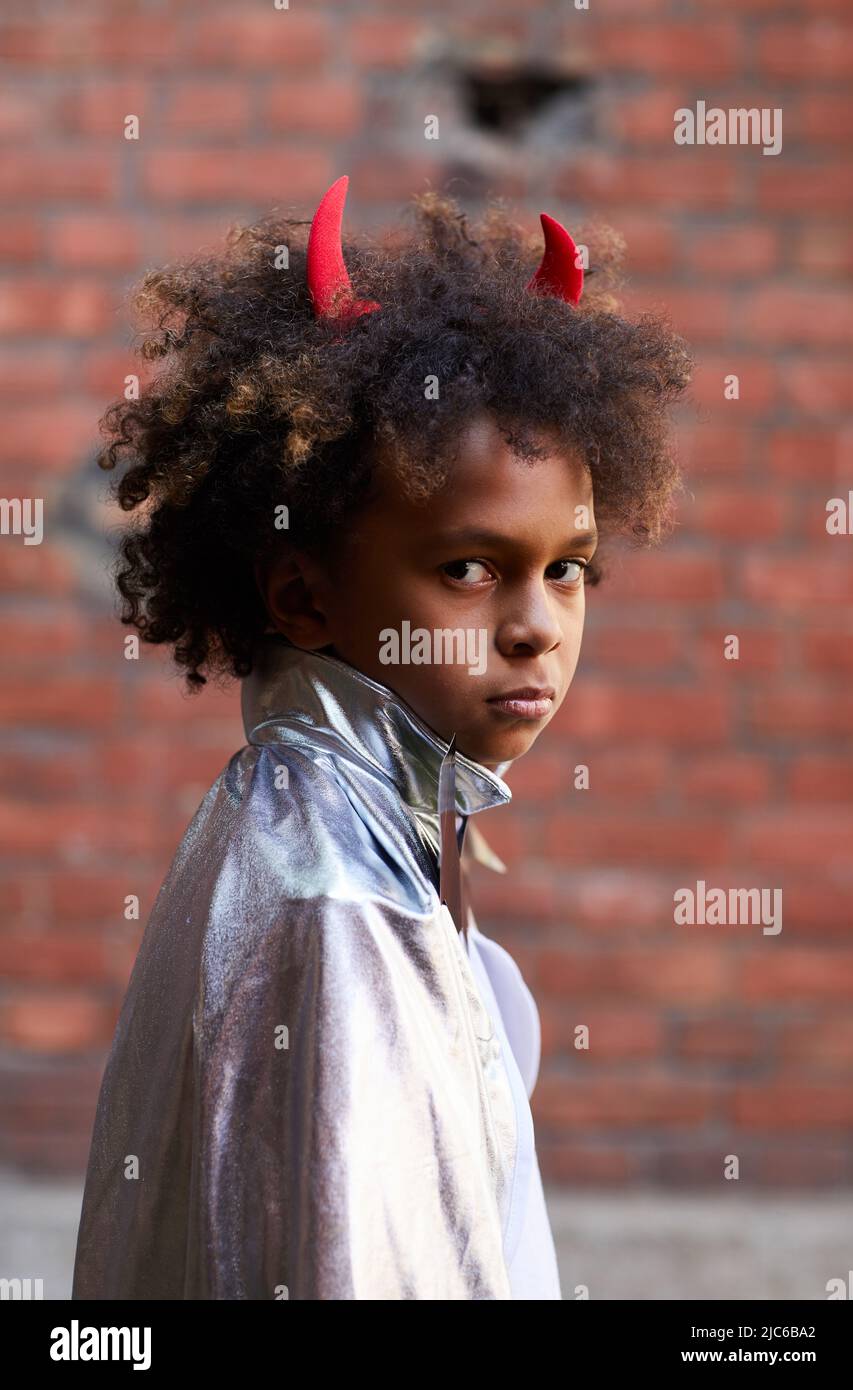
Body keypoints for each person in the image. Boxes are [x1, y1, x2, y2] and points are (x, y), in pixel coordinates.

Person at [71, 175, 692, 1300]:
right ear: (303, 598)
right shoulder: (337, 896)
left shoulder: (335, 813)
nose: (536, 626)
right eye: (468, 567)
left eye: (568, 568)